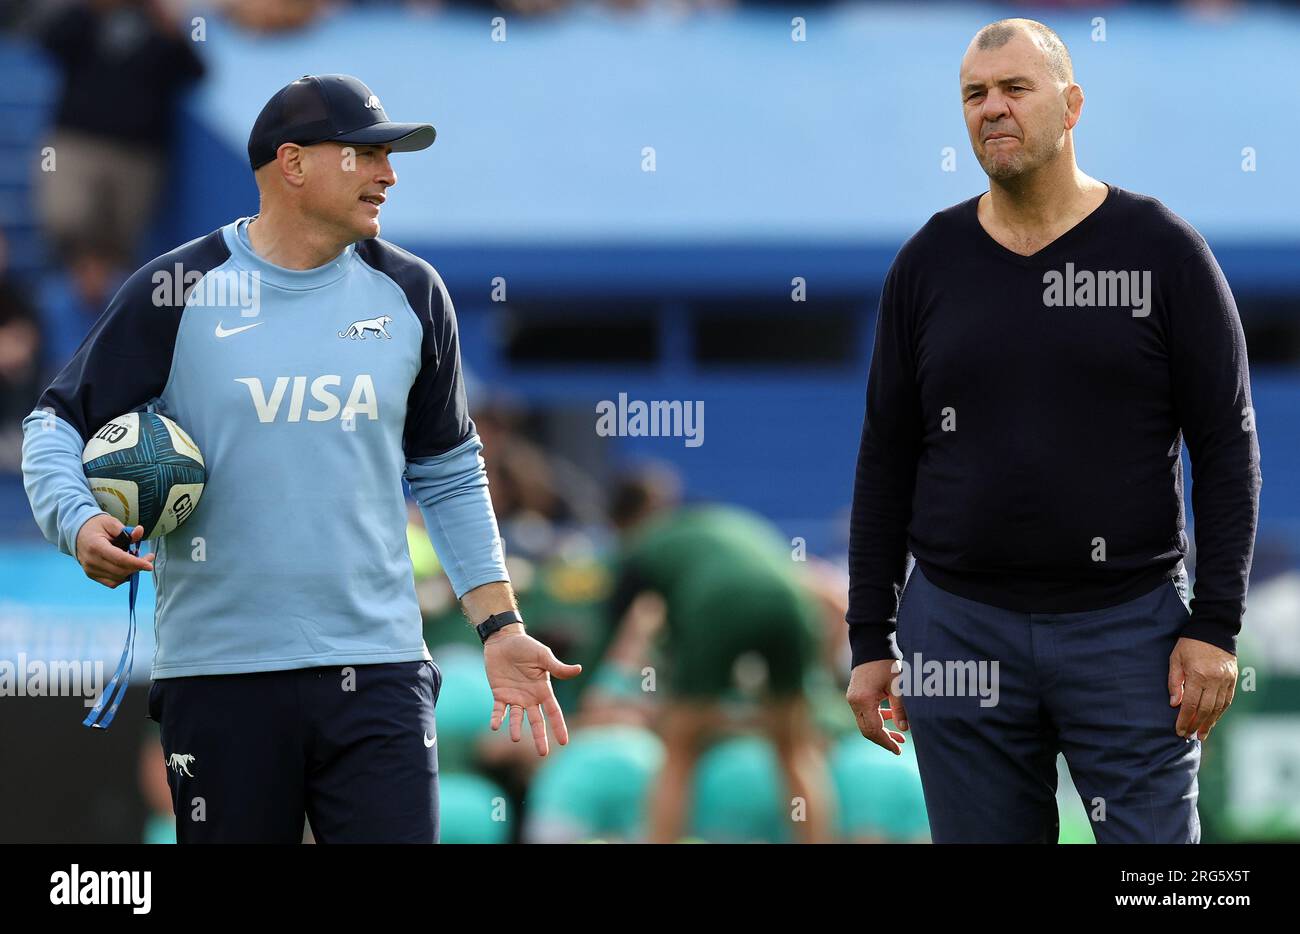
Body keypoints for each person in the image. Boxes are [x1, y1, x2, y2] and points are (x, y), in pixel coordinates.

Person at [21, 74, 579, 843]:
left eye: (389, 156)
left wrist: (501, 626)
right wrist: (76, 519)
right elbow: (53, 423)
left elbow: (450, 471)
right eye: (366, 155)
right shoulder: (177, 291)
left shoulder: (413, 293)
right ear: (293, 163)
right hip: (219, 677)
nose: (388, 173)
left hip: (380, 669)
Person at [844, 19, 1260, 844]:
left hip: (1128, 628)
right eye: (974, 95)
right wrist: (868, 636)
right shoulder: (928, 262)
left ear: (1071, 105)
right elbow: (885, 459)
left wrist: (1215, 624)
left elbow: (1226, 443)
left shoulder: (1162, 251)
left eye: (1013, 89)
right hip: (957, 626)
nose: (991, 109)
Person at [605, 473, 833, 843]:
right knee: (794, 746)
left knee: (680, 747)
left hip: (717, 607)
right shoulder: (722, 522)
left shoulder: (643, 544)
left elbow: (616, 625)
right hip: (791, 601)